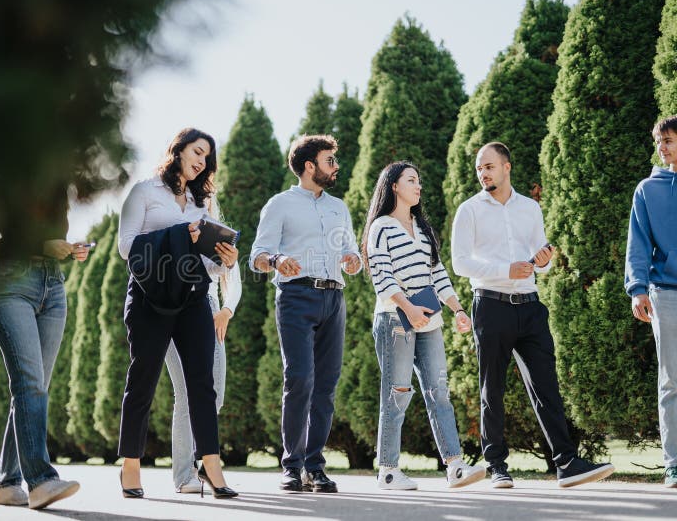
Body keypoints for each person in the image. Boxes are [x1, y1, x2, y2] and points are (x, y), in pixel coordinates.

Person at [451, 141, 615, 488]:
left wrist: (544, 260)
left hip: (530, 306)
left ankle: (567, 463)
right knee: (491, 389)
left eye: (489, 166)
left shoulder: (529, 208)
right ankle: (496, 466)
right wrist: (505, 269)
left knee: (546, 387)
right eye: (479, 168)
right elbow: (460, 262)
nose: (483, 173)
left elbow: (541, 258)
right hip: (490, 305)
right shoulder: (469, 210)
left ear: (507, 167)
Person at [117, 127, 238, 499]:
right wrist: (178, 233)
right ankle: (130, 465)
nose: (202, 162)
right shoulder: (145, 191)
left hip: (193, 297)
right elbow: (125, 247)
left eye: (207, 158)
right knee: (143, 379)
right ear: (179, 150)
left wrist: (225, 261)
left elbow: (207, 263)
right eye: (197, 152)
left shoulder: (201, 204)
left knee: (202, 382)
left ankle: (212, 466)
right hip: (149, 298)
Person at [363, 161, 485, 490]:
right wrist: (408, 307)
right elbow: (381, 275)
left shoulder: (422, 228)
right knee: (397, 394)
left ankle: (455, 467)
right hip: (394, 320)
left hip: (429, 322)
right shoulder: (381, 227)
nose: (418, 186)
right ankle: (388, 471)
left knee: (439, 393)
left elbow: (438, 274)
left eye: (419, 180)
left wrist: (458, 310)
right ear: (394, 187)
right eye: (411, 180)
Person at [250, 134, 361, 493]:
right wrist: (278, 259)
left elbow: (351, 253)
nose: (336, 167)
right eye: (330, 160)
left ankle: (315, 466)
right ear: (309, 166)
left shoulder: (339, 207)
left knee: (326, 387)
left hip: (334, 299)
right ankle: (292, 466)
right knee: (300, 380)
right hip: (296, 296)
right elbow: (258, 255)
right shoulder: (279, 204)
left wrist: (354, 260)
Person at [0, 185, 89, 510]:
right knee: (30, 384)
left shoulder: (58, 184)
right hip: (12, 286)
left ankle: (8, 482)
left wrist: (69, 251)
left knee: (34, 388)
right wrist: (40, 245)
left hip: (53, 287)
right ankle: (40, 481)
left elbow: (50, 244)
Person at [164, 194, 242, 493]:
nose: (204, 197)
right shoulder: (169, 223)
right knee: (185, 393)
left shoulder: (218, 232)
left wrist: (226, 310)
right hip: (172, 308)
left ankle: (202, 463)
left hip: (208, 308)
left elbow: (232, 275)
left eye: (208, 193)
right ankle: (184, 476)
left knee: (214, 397)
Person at [625, 115, 677, 488]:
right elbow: (638, 243)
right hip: (666, 293)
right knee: (671, 380)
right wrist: (637, 288)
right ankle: (674, 463)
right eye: (659, 141)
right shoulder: (647, 189)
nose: (662, 147)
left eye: (669, 140)